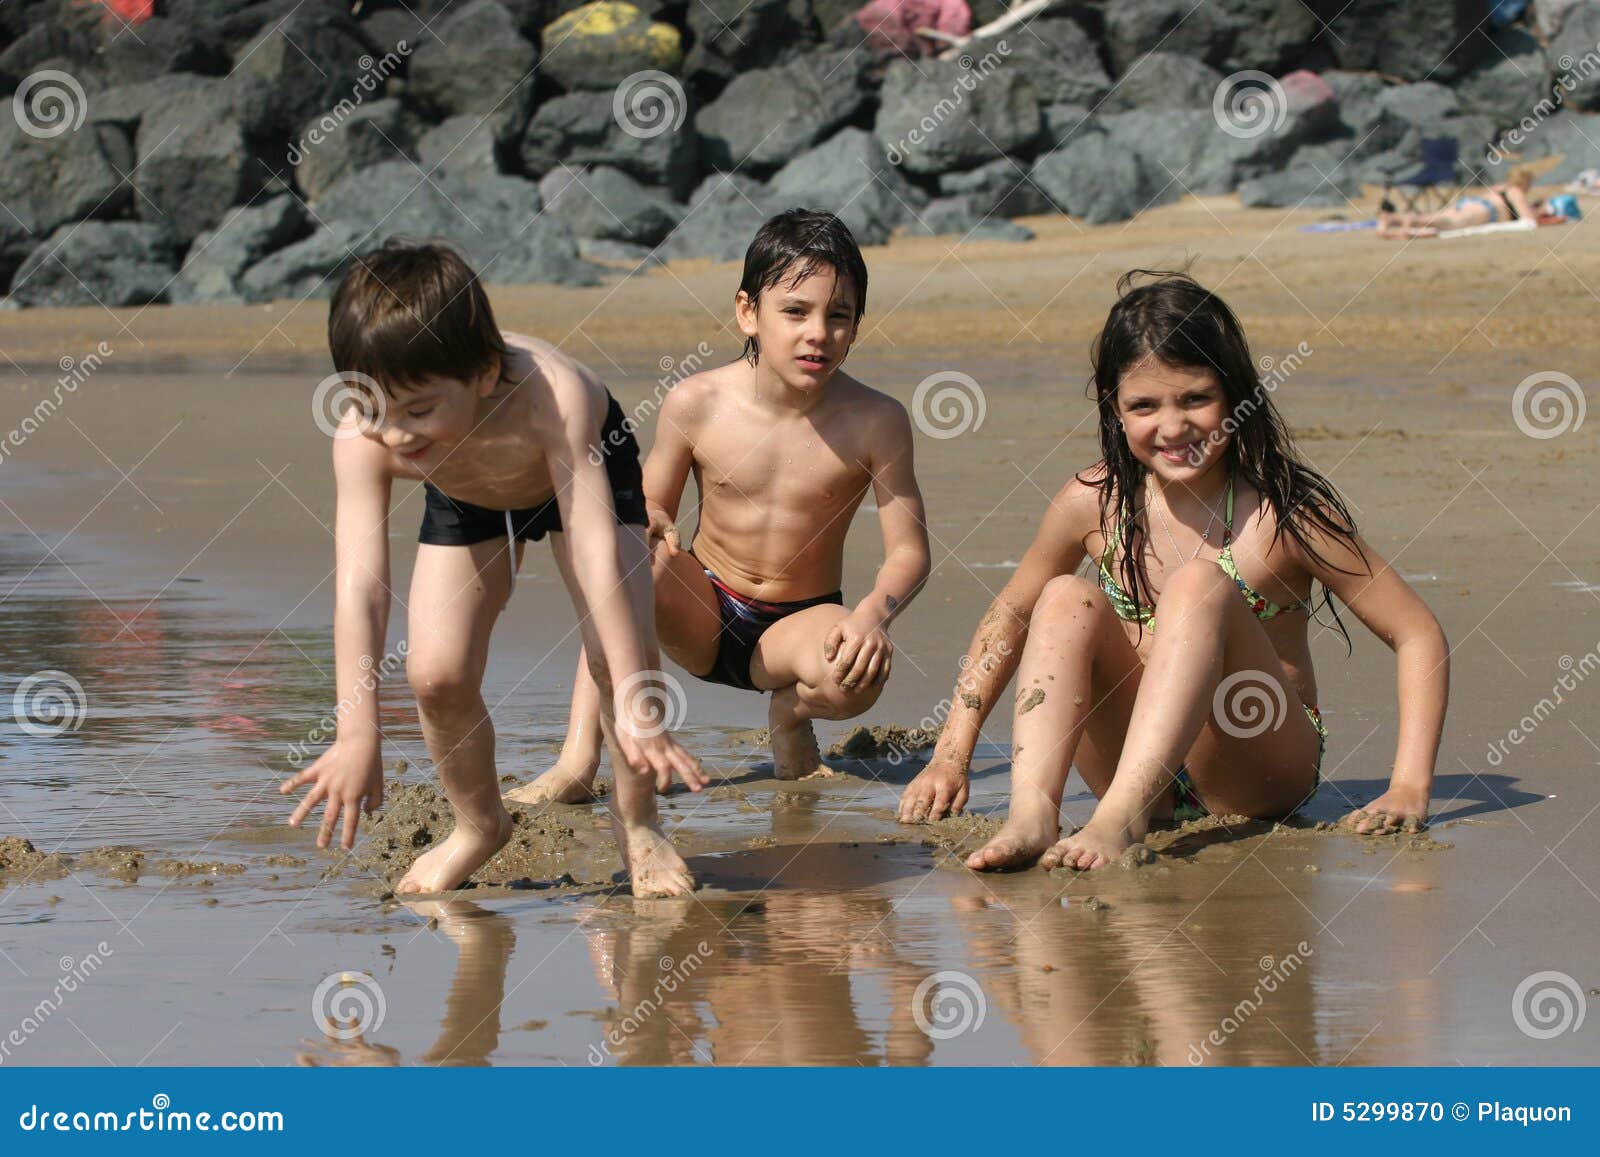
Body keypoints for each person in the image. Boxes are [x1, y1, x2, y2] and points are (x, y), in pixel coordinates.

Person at [898, 270, 1449, 870]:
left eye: (1195, 398)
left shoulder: (1284, 513)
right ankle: (1032, 814)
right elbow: (1011, 614)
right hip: (1123, 760)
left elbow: (1416, 632)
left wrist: (1409, 785)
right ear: (1115, 407)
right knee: (1061, 597)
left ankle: (1118, 820)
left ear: (1236, 394)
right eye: (1144, 405)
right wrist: (951, 755)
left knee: (1198, 582)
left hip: (1254, 767)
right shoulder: (1093, 501)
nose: (1173, 426)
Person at [279, 240, 707, 898]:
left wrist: (632, 695)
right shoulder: (375, 434)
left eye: (416, 409)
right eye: (371, 409)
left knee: (616, 649)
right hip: (465, 485)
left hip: (581, 476)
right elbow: (361, 589)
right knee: (434, 675)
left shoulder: (552, 398)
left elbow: (595, 555)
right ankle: (479, 825)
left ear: (482, 374)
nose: (393, 436)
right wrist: (355, 731)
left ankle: (640, 823)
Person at [507, 209, 930, 797]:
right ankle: (578, 760)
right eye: (795, 311)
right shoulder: (697, 402)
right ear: (748, 312)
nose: (818, 333)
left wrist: (871, 616)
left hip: (798, 625)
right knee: (624, 561)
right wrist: (650, 519)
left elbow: (908, 551)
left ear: (857, 325)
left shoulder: (877, 421)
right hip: (702, 607)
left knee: (856, 674)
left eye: (839, 316)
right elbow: (649, 506)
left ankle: (790, 717)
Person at [1378, 166, 1541, 238]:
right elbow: (1528, 220)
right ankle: (1398, 221)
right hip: (1486, 211)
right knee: (1444, 222)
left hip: (1473, 203)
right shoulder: (1516, 191)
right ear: (1525, 181)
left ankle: (1393, 219)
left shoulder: (1501, 187)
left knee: (1438, 218)